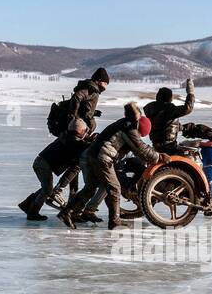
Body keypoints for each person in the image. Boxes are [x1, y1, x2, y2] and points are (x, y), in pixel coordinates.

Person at [17, 67, 111, 221]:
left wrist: (91, 115)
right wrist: (73, 117)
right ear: (101, 81)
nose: (106, 87)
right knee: (53, 184)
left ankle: (30, 203)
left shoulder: (90, 90)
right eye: (106, 83)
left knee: (69, 170)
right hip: (53, 152)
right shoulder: (91, 89)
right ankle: (36, 210)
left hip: (73, 135)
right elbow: (77, 98)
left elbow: (83, 106)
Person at [59, 103, 159, 230]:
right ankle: (114, 221)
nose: (139, 136)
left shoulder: (125, 122)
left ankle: (67, 213)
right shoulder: (130, 128)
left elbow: (138, 147)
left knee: (90, 187)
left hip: (93, 154)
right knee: (115, 188)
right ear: (139, 128)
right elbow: (141, 148)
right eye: (140, 134)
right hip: (103, 157)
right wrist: (158, 157)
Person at [143, 78, 195, 153]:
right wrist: (191, 93)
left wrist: (182, 128)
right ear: (169, 98)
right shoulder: (167, 109)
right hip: (169, 148)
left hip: (156, 146)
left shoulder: (151, 110)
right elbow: (188, 108)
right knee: (190, 157)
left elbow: (163, 125)